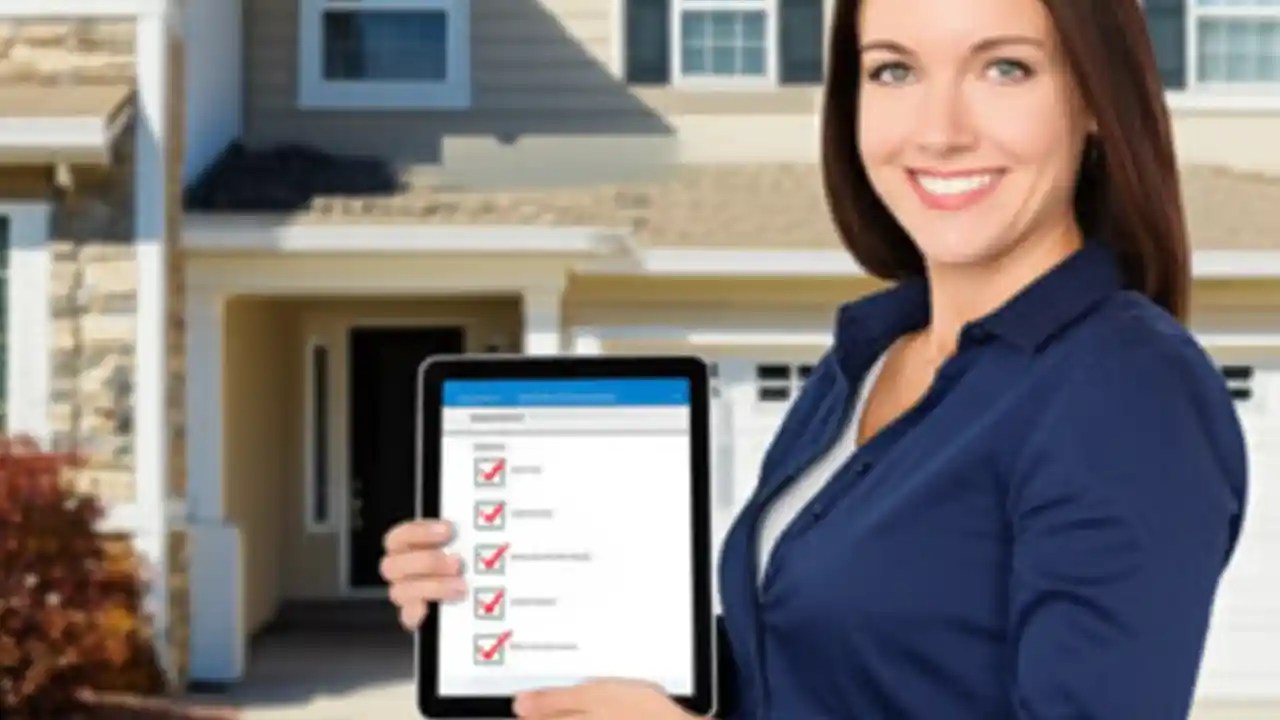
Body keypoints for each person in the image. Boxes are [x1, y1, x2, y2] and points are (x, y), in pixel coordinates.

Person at [378, 0, 1250, 716]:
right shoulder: (865, 364)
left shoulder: (1124, 387)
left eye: (1004, 68)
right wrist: (509, 612)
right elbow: (803, 670)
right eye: (894, 70)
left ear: (1095, 99)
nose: (939, 131)